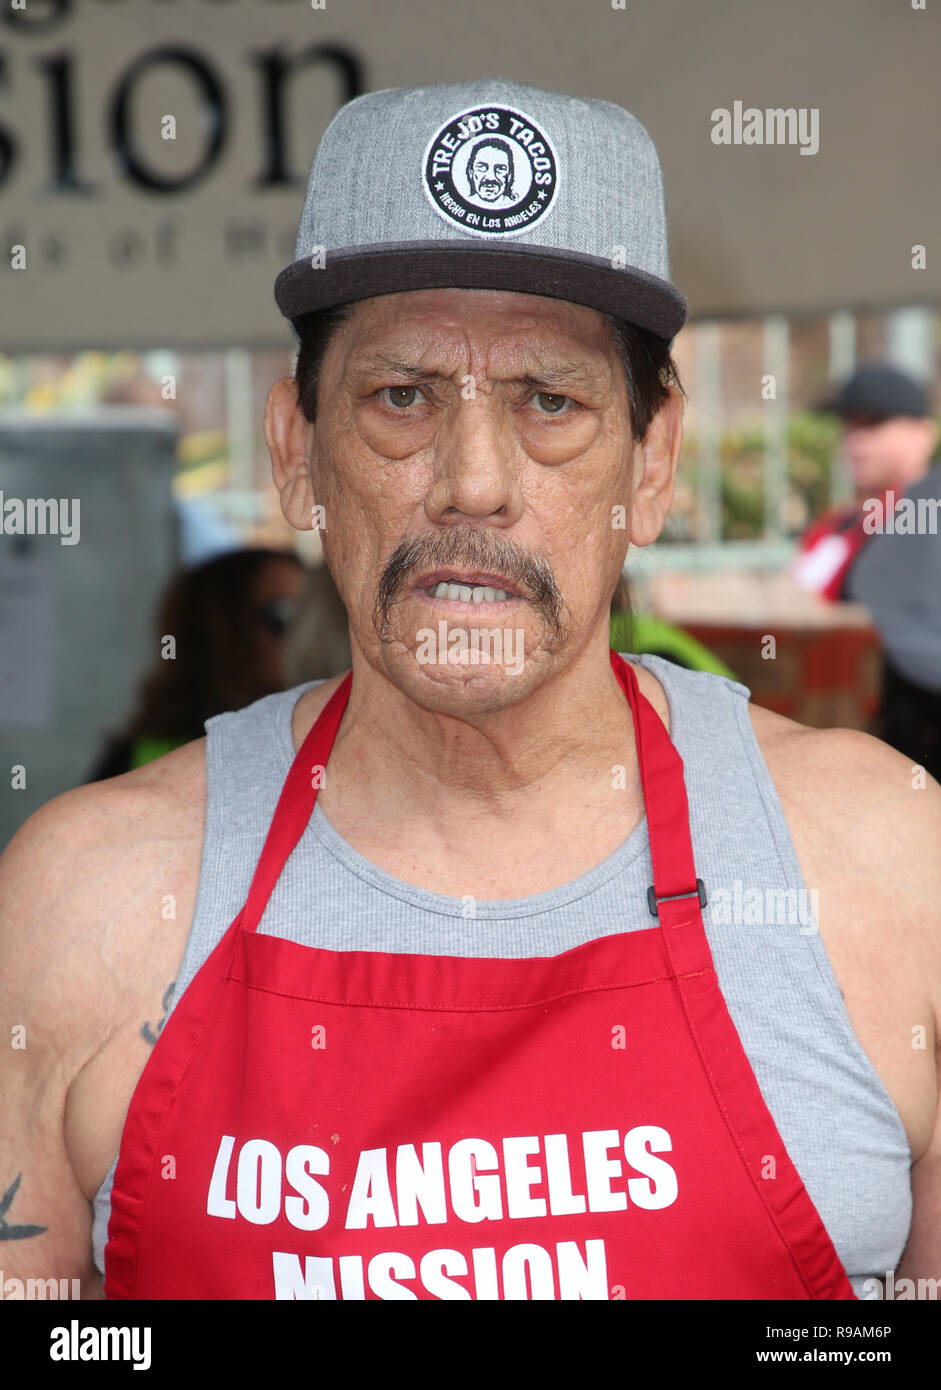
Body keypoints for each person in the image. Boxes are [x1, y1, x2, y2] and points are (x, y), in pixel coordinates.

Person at [1, 79, 938, 1303]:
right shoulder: (83, 905)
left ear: (650, 465)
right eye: (401, 399)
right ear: (297, 454)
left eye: (549, 402)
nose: (473, 482)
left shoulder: (889, 864)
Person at [792, 363, 941, 775]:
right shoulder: (837, 526)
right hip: (812, 744)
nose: (856, 440)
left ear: (922, 434)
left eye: (874, 424)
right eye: (849, 425)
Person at [84, 548, 307, 780]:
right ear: (221, 632)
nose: (308, 635)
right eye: (284, 617)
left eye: (312, 617)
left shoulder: (320, 736)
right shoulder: (133, 766)